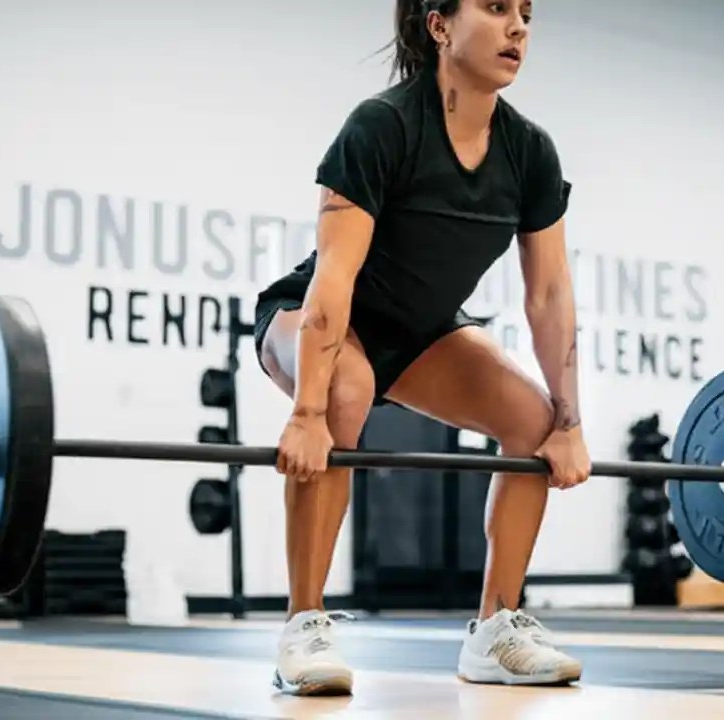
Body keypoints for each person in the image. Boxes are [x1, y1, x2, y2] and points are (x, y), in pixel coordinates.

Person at [252, 0, 590, 696]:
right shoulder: (384, 126)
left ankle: (497, 627)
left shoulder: (530, 153)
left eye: (526, 12)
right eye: (496, 8)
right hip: (312, 317)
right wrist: (310, 412)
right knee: (347, 390)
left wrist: (570, 422)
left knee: (532, 422)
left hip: (421, 332)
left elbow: (550, 297)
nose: (519, 27)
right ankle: (303, 626)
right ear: (438, 25)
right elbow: (333, 279)